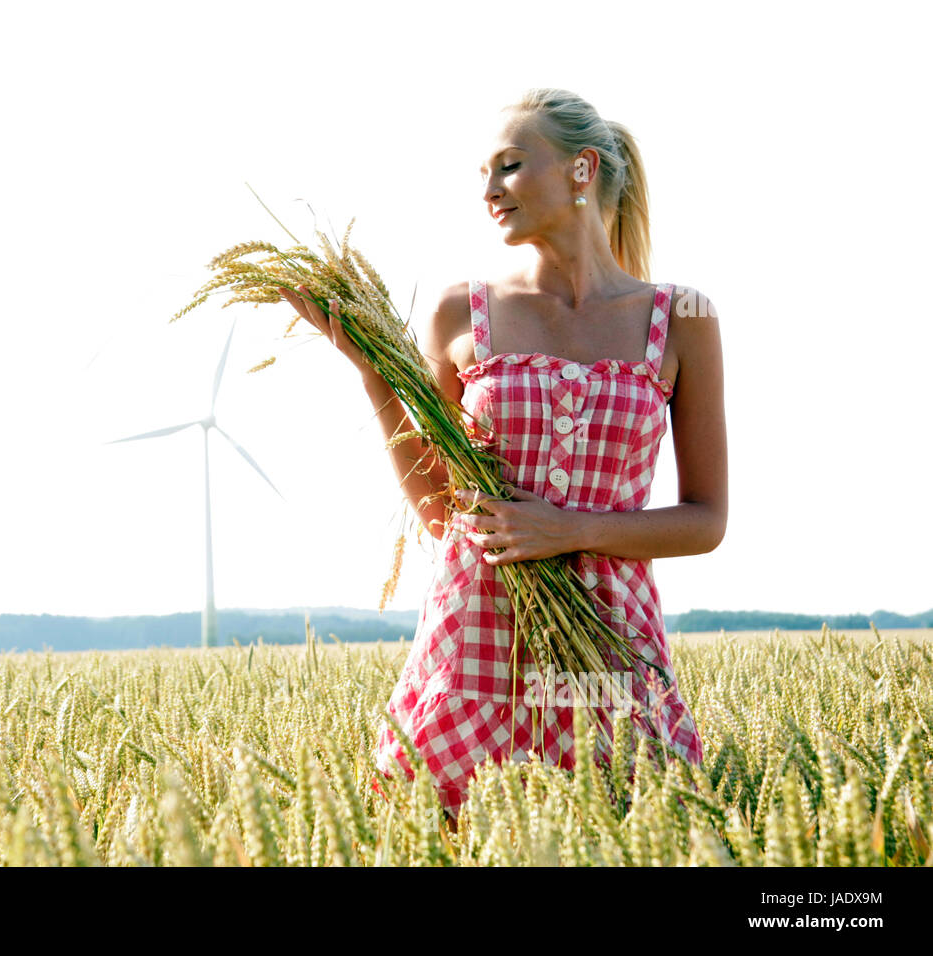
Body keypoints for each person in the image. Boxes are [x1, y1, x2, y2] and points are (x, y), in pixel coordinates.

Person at [278, 88, 727, 827]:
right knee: (444, 832)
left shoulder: (683, 319)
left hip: (607, 649)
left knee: (627, 829)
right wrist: (371, 371)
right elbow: (439, 509)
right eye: (482, 173)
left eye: (510, 167)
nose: (489, 191)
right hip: (475, 644)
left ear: (583, 170)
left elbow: (706, 520)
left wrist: (570, 530)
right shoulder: (460, 313)